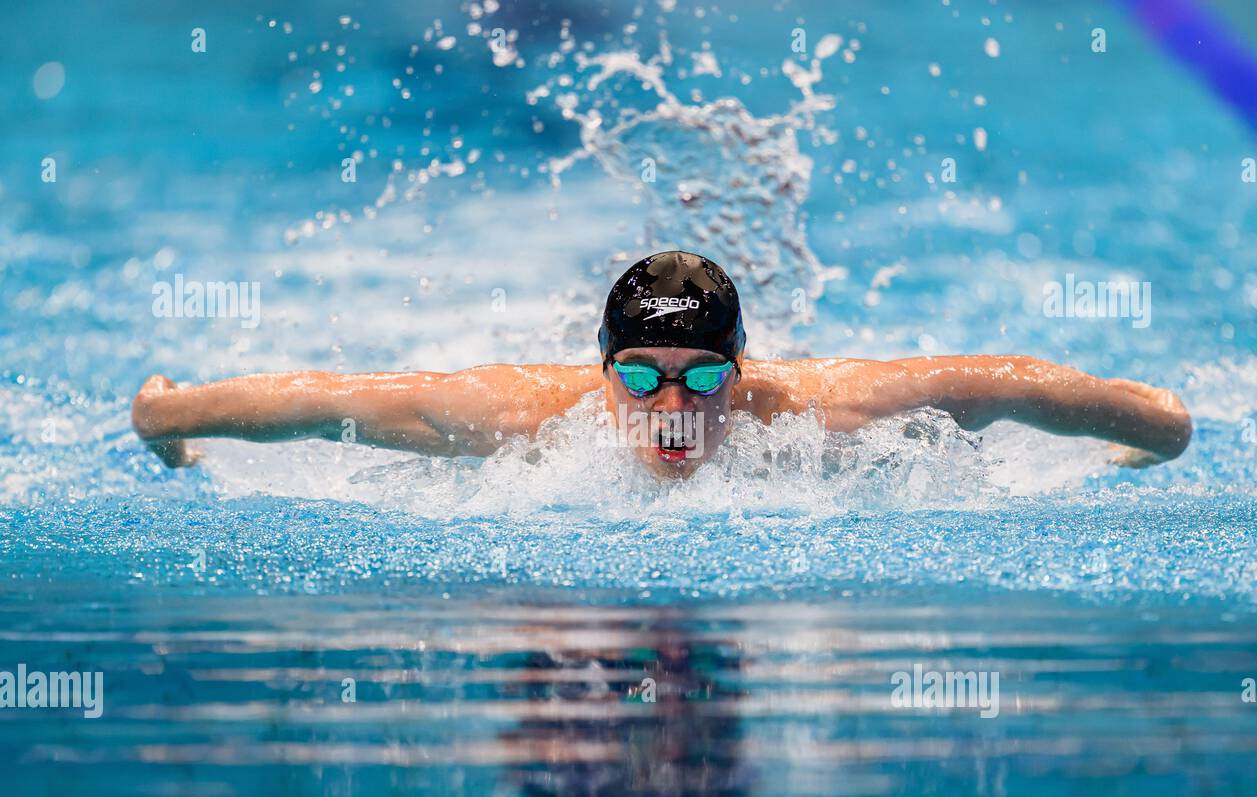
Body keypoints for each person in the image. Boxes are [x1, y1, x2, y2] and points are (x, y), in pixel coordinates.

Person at [131, 250, 1192, 478]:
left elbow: (999, 380)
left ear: (744, 369)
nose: (671, 404)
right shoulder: (519, 419)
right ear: (600, 375)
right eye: (639, 376)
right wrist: (168, 416)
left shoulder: (821, 409)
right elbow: (321, 404)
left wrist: (1153, 426)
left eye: (701, 375)